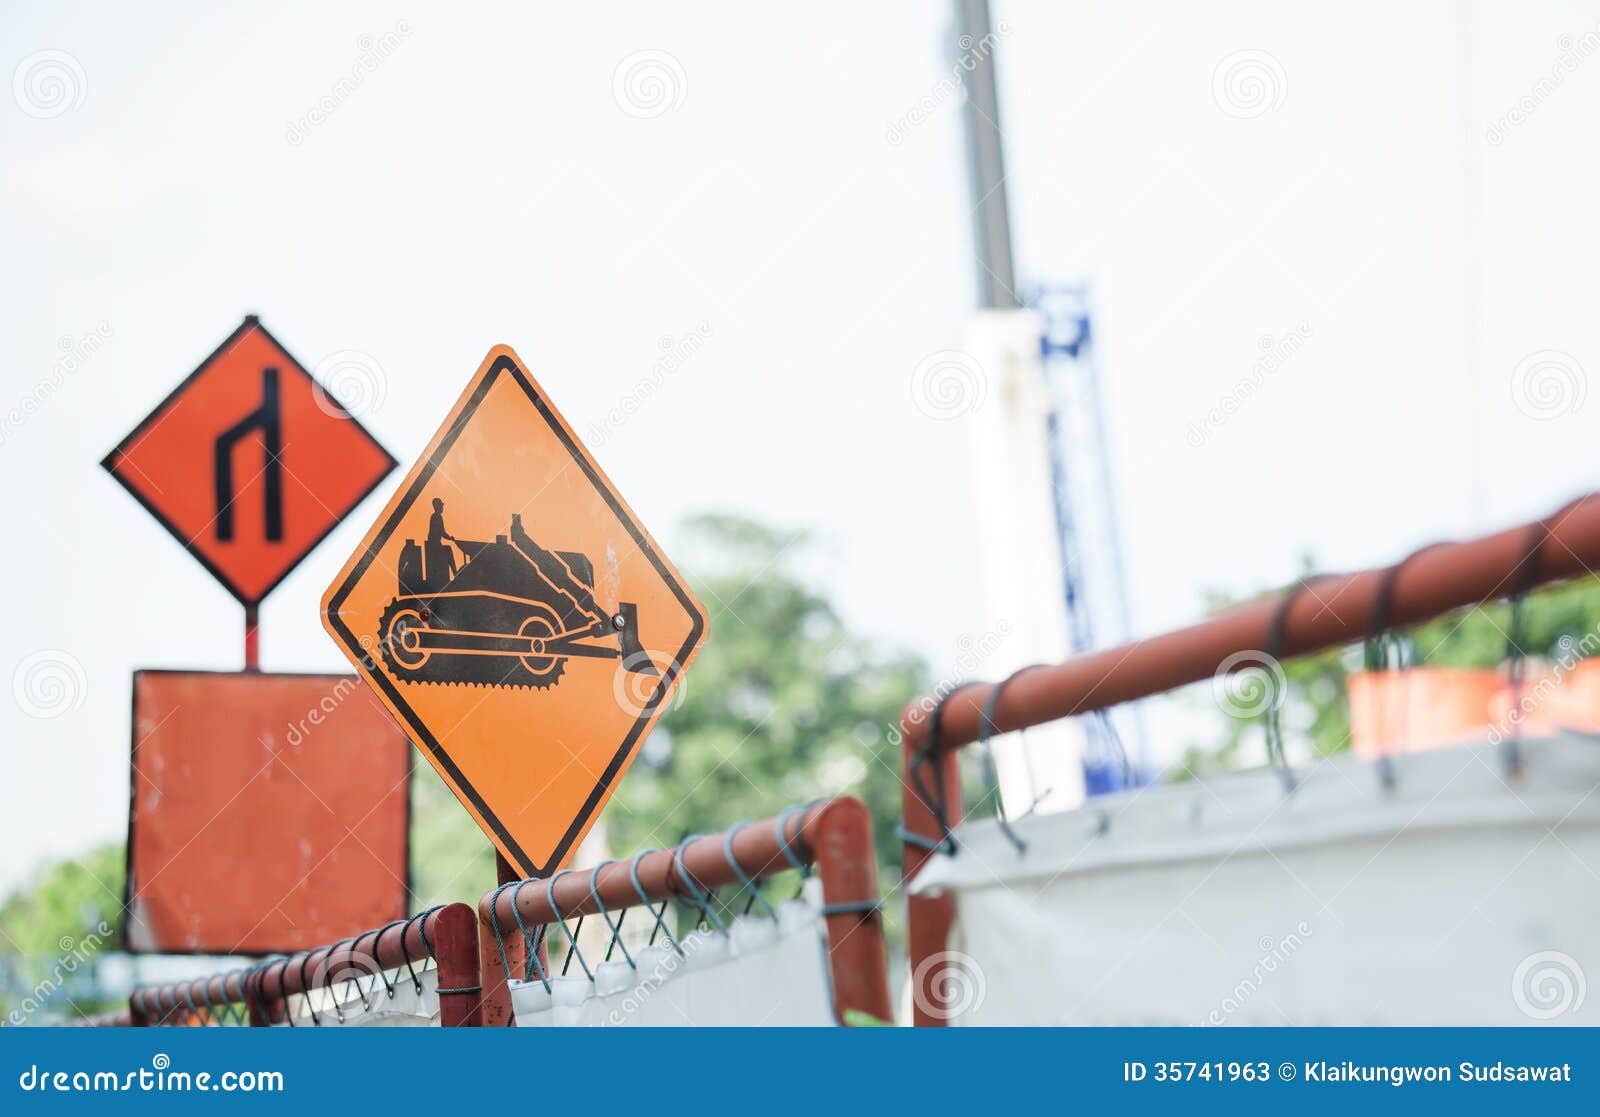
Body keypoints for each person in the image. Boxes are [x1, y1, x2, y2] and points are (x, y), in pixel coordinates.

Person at [425, 498, 457, 582]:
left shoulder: (435, 516)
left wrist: (449, 538)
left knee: (447, 549)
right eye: (441, 505)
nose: (442, 507)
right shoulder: (437, 517)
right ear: (438, 506)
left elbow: (441, 532)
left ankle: (455, 574)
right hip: (434, 545)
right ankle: (456, 574)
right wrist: (450, 538)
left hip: (436, 544)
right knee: (448, 549)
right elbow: (442, 532)